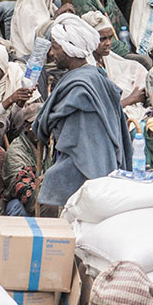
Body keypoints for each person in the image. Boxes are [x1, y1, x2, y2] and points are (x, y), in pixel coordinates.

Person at [35, 12, 127, 212]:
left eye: (56, 48)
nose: (51, 53)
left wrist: (54, 177)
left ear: (70, 50)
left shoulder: (81, 89)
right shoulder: (86, 78)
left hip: (86, 180)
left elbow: (82, 150)